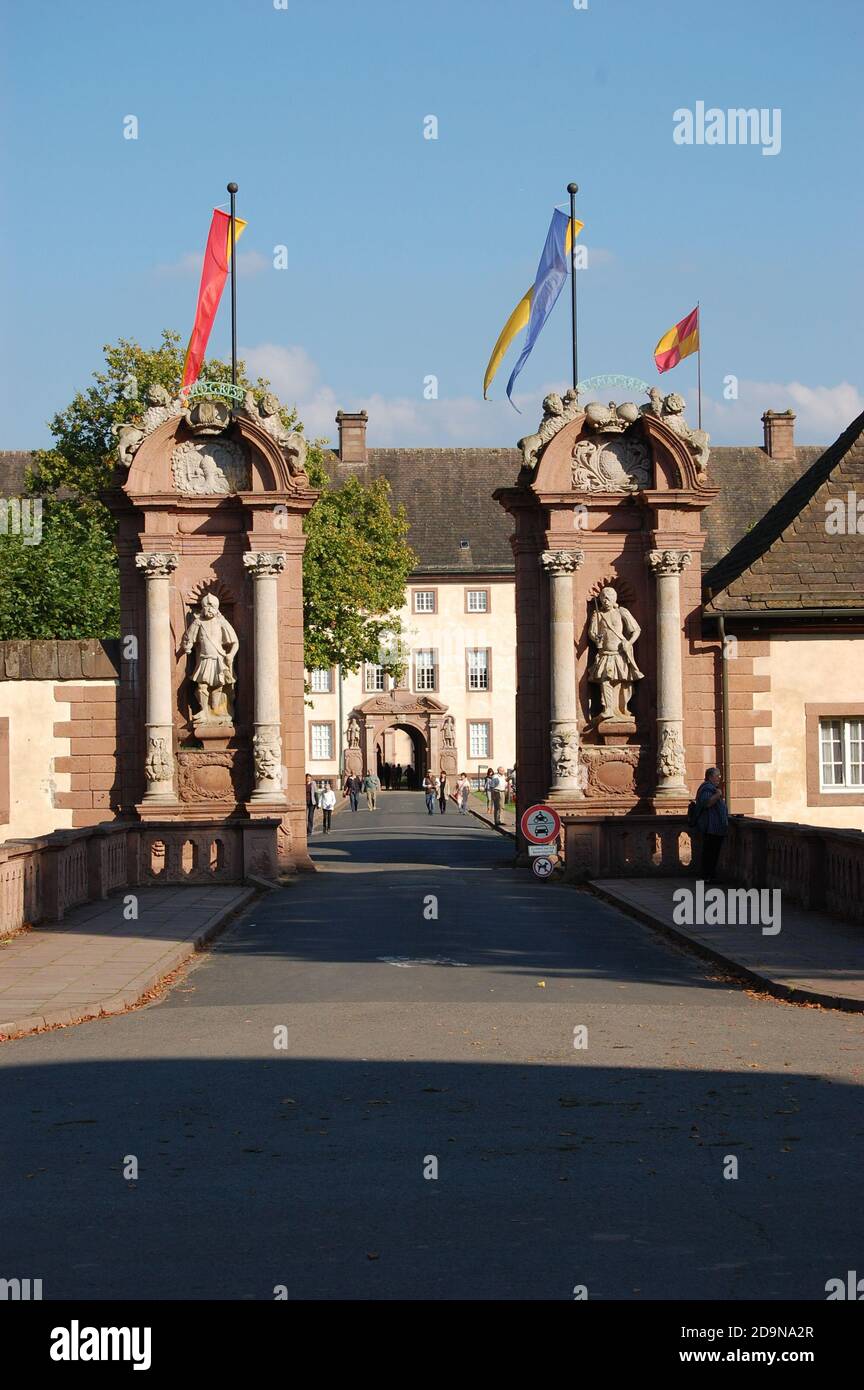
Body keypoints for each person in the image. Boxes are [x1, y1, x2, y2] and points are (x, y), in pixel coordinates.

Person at [694, 766, 729, 883]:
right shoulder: (707, 788)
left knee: (712, 852)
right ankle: (707, 877)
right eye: (717, 775)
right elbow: (707, 803)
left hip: (715, 828)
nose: (719, 778)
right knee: (710, 853)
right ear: (710, 777)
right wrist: (718, 794)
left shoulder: (711, 787)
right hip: (711, 827)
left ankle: (709, 876)